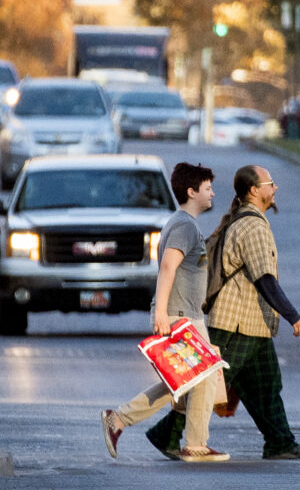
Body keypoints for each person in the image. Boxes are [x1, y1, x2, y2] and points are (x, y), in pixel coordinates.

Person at [145, 165, 300, 461]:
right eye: (271, 183)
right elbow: (265, 278)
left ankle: (280, 442)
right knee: (203, 385)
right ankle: (167, 434)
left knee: (266, 386)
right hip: (236, 323)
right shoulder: (252, 226)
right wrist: (293, 315)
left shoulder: (248, 220)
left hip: (254, 324)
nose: (275, 189)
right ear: (255, 190)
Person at [100, 162, 230, 463]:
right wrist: (161, 311)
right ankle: (194, 444)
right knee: (199, 377)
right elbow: (168, 267)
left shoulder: (182, 223)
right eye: (207, 189)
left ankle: (120, 420)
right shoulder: (184, 226)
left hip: (186, 314)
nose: (212, 194)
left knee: (184, 381)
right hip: (181, 316)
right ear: (191, 191)